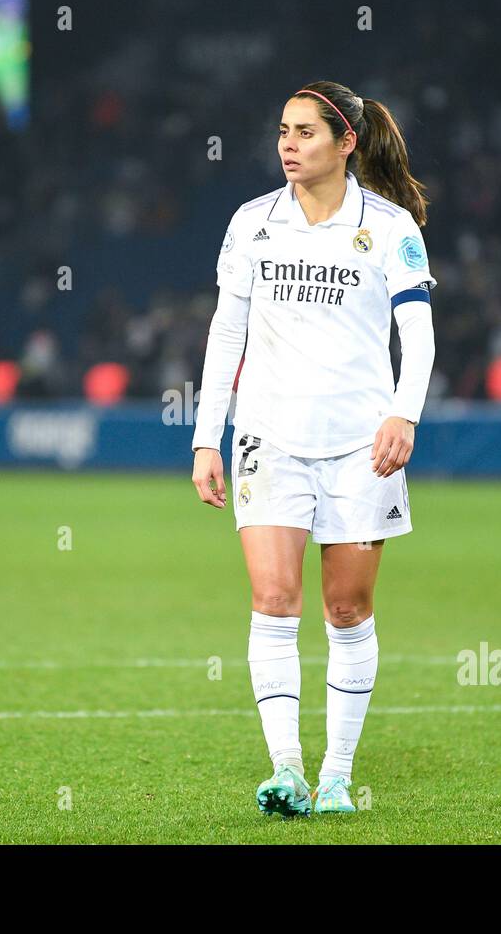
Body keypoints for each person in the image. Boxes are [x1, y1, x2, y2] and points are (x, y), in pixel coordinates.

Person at [190, 81, 437, 817]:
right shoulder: (252, 223)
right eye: (282, 132)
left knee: (347, 610)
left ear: (347, 142)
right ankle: (287, 770)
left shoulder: (388, 227)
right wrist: (209, 437)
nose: (287, 145)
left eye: (304, 132)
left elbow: (418, 334)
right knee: (272, 600)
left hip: (362, 446)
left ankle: (337, 776)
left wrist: (405, 415)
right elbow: (224, 334)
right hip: (270, 438)